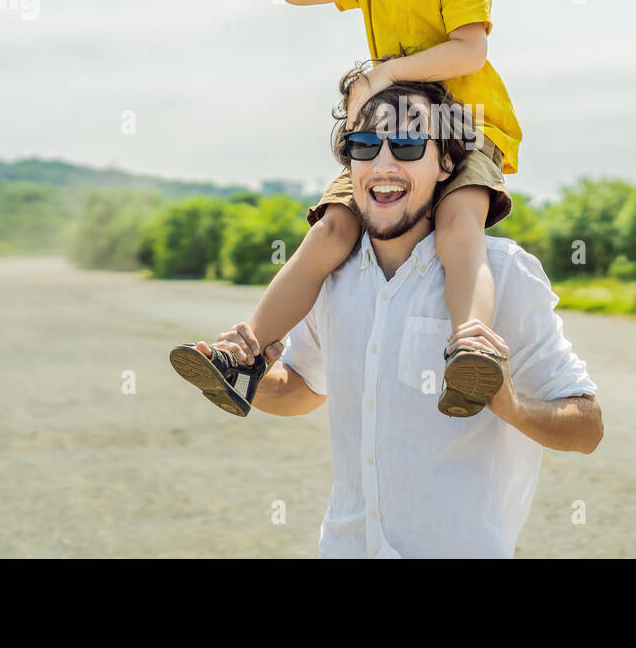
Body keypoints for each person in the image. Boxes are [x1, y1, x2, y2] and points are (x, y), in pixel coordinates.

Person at [171, 0, 522, 418]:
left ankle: (472, 347)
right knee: (331, 228)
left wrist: (383, 74)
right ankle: (248, 350)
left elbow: (470, 51)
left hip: (466, 124)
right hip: (392, 130)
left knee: (460, 222)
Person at [175, 81, 600, 558]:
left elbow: (587, 428)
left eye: (408, 144)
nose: (383, 163)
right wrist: (251, 374)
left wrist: (508, 404)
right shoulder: (330, 277)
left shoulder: (503, 275)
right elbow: (303, 389)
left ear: (445, 165)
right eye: (364, 145)